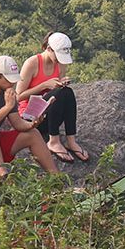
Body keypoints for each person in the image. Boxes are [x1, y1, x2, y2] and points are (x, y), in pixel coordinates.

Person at [15, 32, 88, 163]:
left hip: (50, 116)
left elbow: (58, 90)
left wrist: (61, 82)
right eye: (58, 55)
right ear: (49, 49)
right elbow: (18, 97)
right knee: (58, 94)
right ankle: (53, 141)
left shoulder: (60, 63)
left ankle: (71, 141)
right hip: (31, 118)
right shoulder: (32, 63)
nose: (59, 60)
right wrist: (44, 85)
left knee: (67, 92)